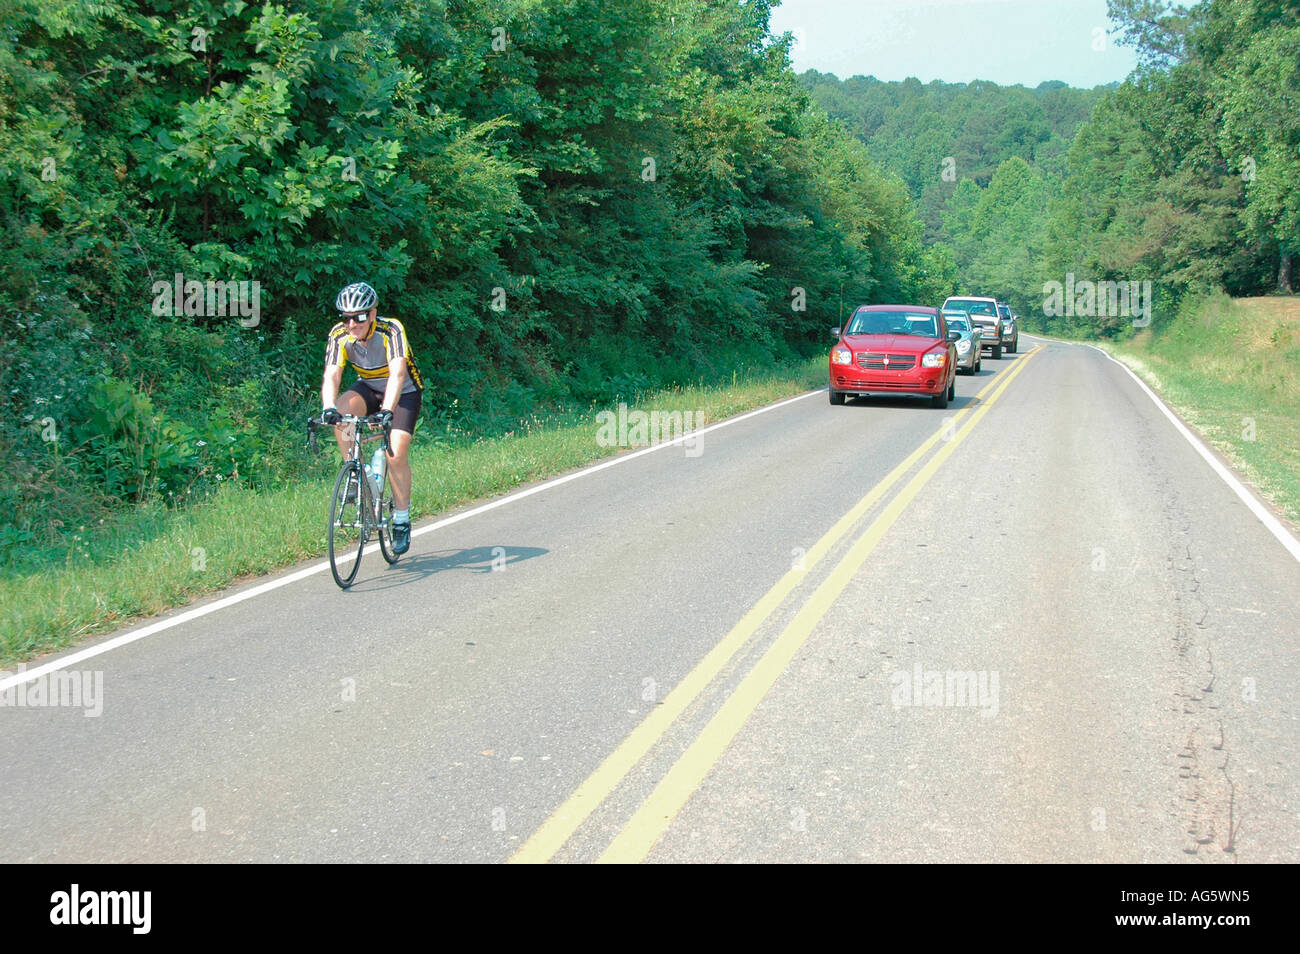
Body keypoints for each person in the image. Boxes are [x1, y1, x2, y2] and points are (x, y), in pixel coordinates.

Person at [320, 281, 423, 555]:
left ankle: (401, 521)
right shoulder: (340, 335)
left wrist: (388, 410)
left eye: (360, 317)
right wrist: (328, 406)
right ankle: (356, 473)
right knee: (341, 414)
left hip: (403, 392)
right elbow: (332, 373)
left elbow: (398, 374)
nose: (352, 324)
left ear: (373, 314)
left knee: (395, 453)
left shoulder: (392, 330)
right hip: (368, 386)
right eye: (347, 317)